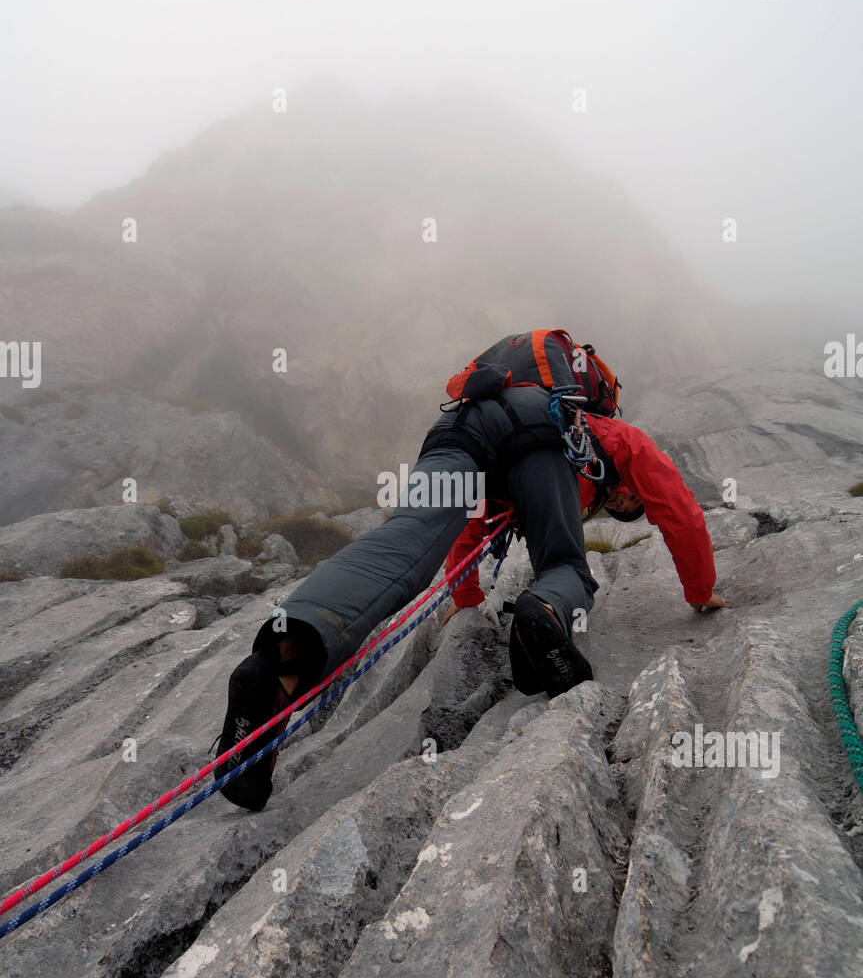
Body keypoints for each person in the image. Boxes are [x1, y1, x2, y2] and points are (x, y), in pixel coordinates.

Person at [213, 335, 726, 811]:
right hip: (541, 438)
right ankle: (542, 613)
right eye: (628, 501)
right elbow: (680, 509)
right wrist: (701, 591)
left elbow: (470, 524)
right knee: (566, 565)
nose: (622, 500)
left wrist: (465, 599)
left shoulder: (510, 396)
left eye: (622, 508)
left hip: (459, 429)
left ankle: (280, 663)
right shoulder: (605, 433)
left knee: (403, 540)